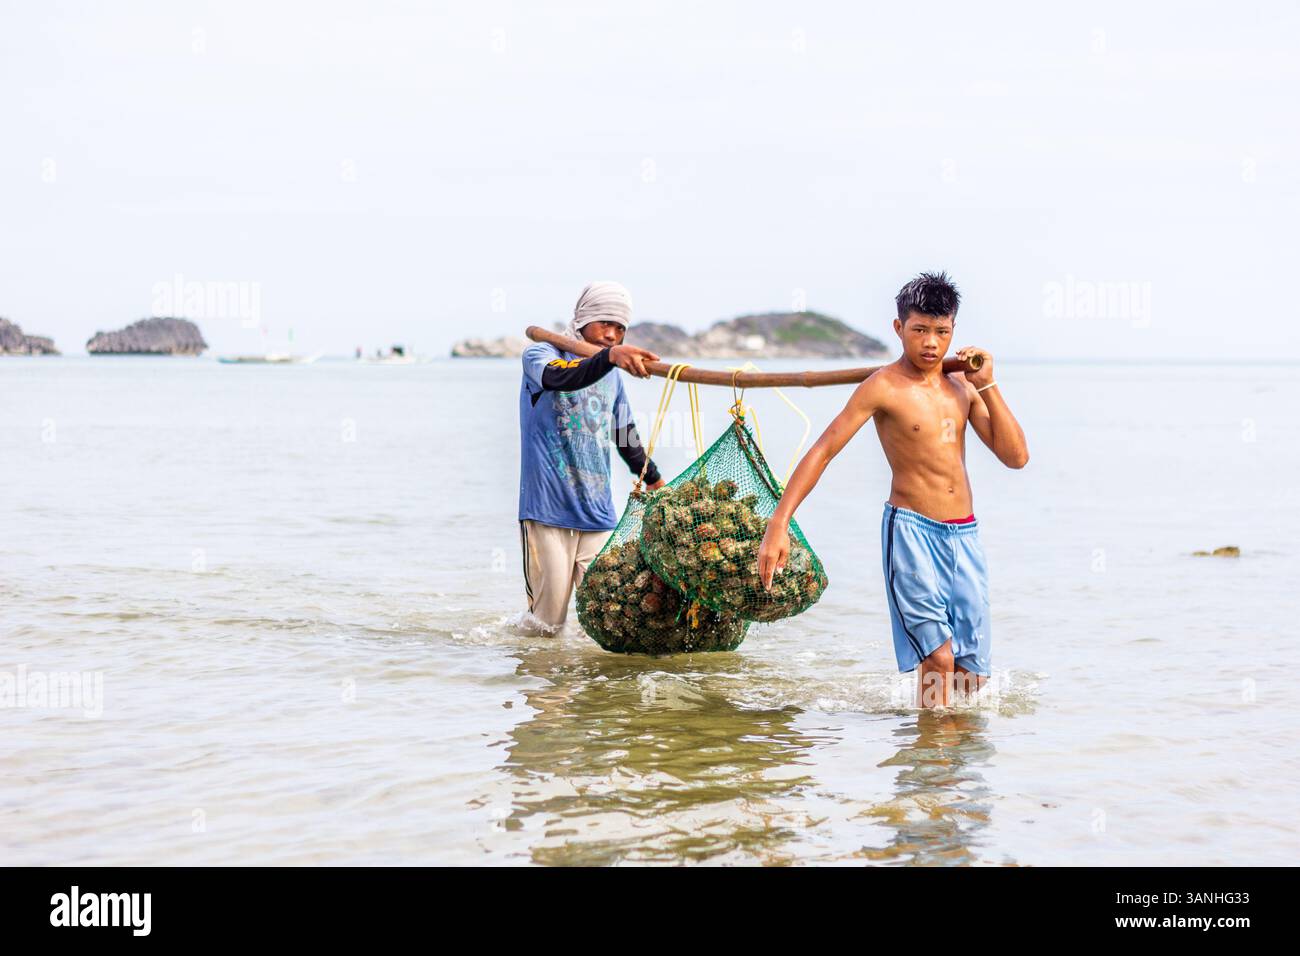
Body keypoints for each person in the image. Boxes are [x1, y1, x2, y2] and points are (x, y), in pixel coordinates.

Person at [757, 272, 1029, 708]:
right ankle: (926, 763)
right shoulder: (883, 387)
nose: (931, 344)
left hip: (965, 535)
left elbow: (1015, 457)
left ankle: (945, 766)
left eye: (942, 332)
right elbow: (824, 450)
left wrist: (989, 386)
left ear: (953, 330)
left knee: (971, 676)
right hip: (911, 533)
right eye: (919, 330)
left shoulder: (962, 385)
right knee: (938, 661)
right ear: (898, 328)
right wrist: (779, 522)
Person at [518, 281, 667, 632]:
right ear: (583, 320)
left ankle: (597, 686)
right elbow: (559, 379)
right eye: (605, 324)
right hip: (547, 512)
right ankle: (541, 684)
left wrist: (655, 479)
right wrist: (608, 359)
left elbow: (624, 435)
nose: (612, 335)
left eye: (620, 329)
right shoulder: (540, 356)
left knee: (609, 614)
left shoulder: (611, 377)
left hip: (598, 515)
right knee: (547, 625)